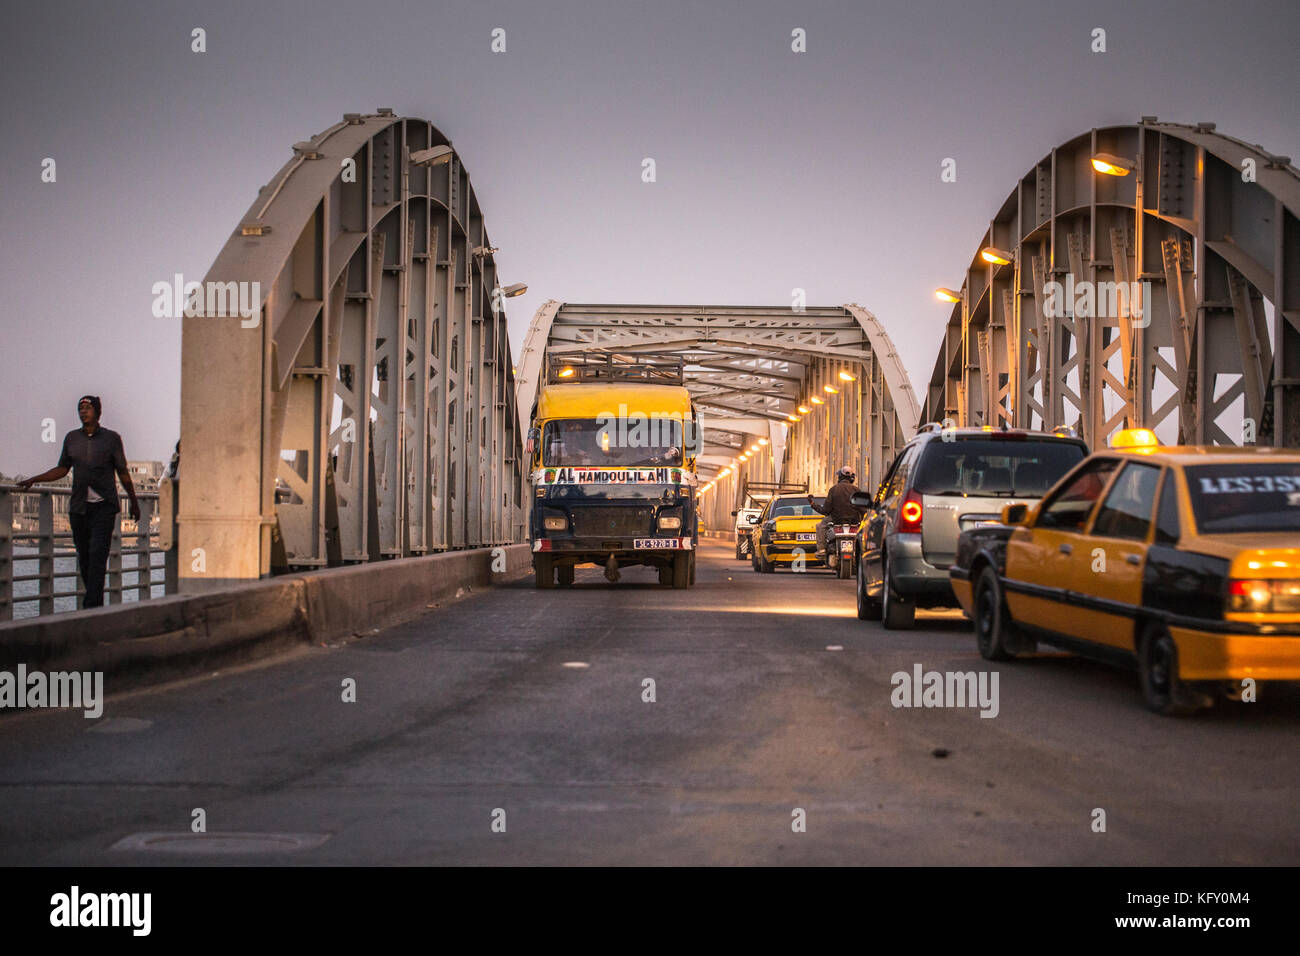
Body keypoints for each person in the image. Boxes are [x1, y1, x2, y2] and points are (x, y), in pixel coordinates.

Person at [18, 395, 140, 608]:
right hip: (79, 508)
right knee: (84, 557)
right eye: (80, 408)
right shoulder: (72, 438)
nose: (83, 412)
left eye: (87, 408)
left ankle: (90, 607)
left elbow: (123, 472)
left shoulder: (111, 439)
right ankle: (95, 605)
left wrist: (134, 500)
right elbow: (62, 469)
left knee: (97, 555)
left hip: (104, 507)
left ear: (97, 412)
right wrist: (35, 479)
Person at [809, 465, 867, 556]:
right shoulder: (857, 490)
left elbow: (826, 510)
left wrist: (813, 505)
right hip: (854, 521)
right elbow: (863, 510)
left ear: (840, 476)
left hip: (836, 520)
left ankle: (822, 550)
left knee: (820, 526)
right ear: (851, 478)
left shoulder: (833, 490)